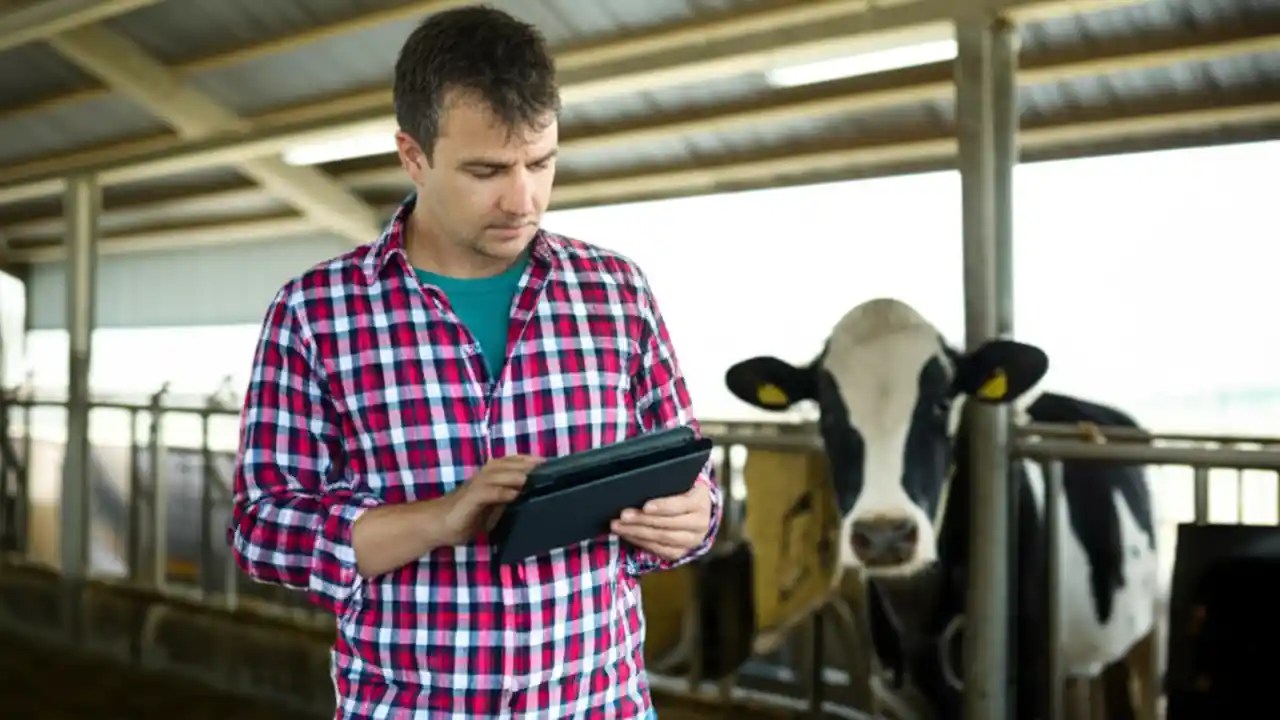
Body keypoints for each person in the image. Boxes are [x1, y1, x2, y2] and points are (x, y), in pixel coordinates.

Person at [227, 5, 721, 719]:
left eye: (541, 163)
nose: (523, 199)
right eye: (487, 170)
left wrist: (691, 517)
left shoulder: (616, 291)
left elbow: (693, 479)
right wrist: (438, 519)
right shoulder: (316, 312)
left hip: (599, 703)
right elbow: (263, 527)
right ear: (412, 156)